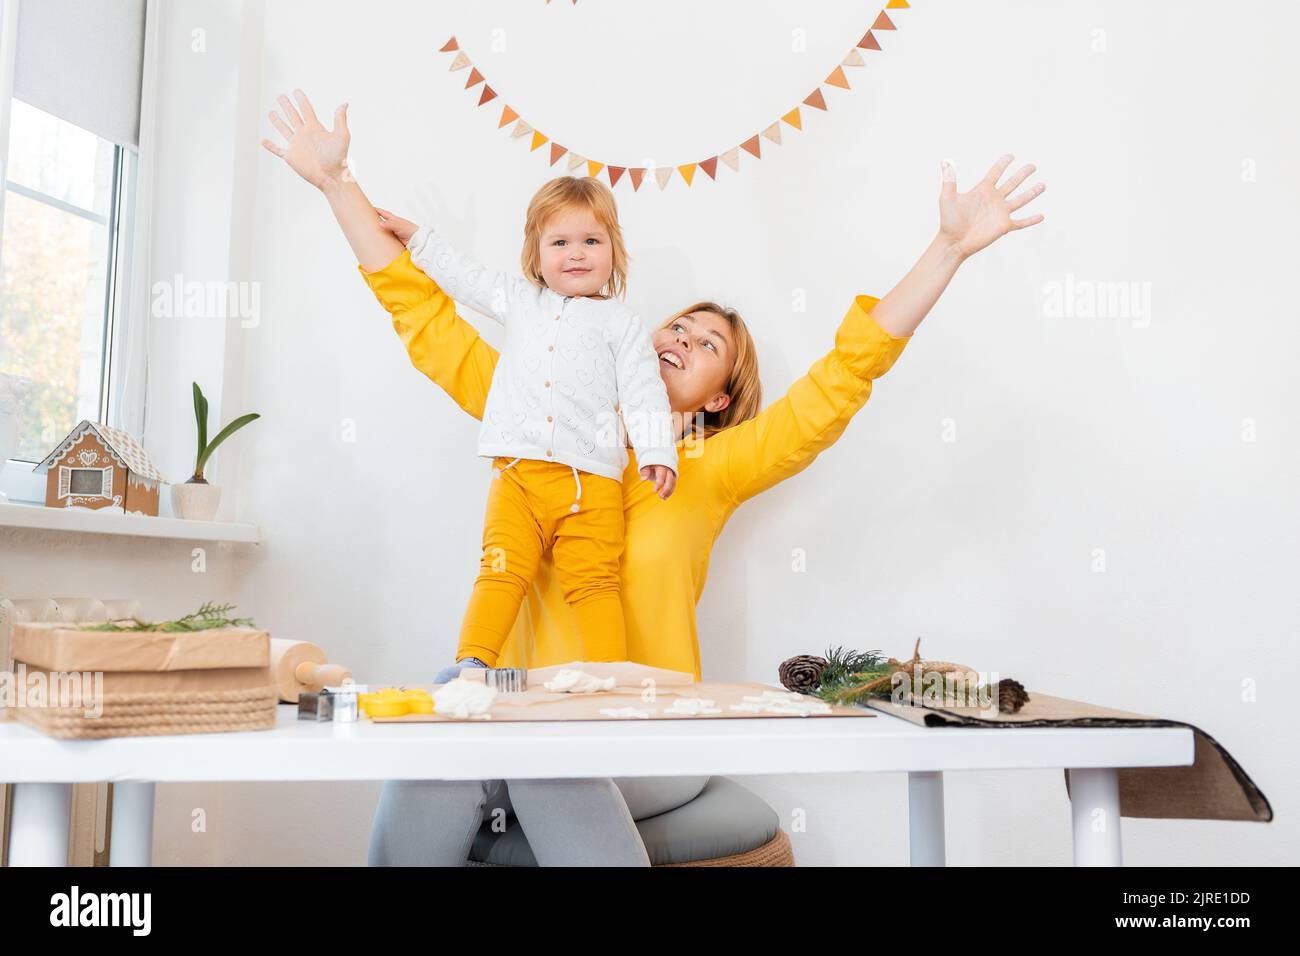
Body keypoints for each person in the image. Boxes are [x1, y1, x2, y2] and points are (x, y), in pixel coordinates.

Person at [261, 89, 1046, 865]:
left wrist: (946, 249)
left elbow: (842, 380)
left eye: (707, 345)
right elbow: (422, 316)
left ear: (722, 397)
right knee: (432, 758)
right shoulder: (537, 414)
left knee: (556, 765)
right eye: (677, 325)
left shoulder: (717, 467)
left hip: (651, 730)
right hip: (521, 717)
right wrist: (339, 184)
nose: (680, 339)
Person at [399, 175, 677, 675]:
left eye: (592, 241)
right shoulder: (519, 300)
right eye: (560, 242)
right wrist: (418, 238)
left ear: (614, 250)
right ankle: (472, 664)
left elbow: (643, 391)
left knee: (595, 582)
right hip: (518, 477)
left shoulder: (622, 322)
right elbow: (465, 277)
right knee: (501, 572)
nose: (577, 254)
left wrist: (657, 451)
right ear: (536, 253)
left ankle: (611, 674)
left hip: (590, 484)